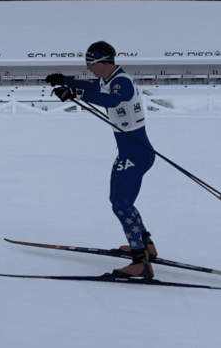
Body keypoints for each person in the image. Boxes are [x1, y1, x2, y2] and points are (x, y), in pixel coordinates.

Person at [45, 41, 158, 279]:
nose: (89, 69)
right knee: (119, 200)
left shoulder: (122, 82)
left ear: (103, 63)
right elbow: (90, 85)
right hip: (130, 153)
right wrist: (64, 79)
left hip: (136, 154)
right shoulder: (109, 79)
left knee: (120, 204)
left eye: (90, 64)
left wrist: (76, 93)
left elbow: (113, 100)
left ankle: (141, 261)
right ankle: (146, 244)